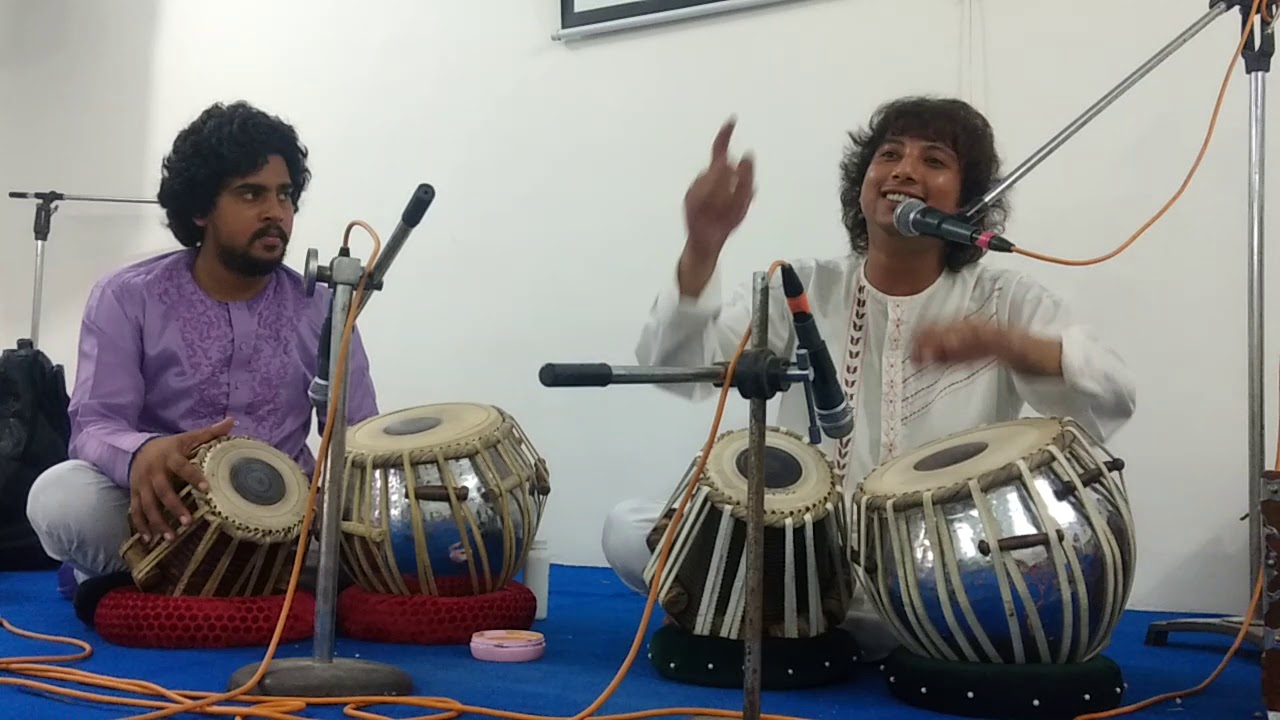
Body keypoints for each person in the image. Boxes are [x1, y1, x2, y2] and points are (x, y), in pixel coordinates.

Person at [601, 96, 1136, 659]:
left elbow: (1112, 391)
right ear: (863, 185)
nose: (904, 170)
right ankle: (817, 617)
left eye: (934, 161)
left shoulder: (1000, 299)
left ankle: (796, 624)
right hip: (805, 560)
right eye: (889, 155)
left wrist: (1005, 343)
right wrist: (703, 245)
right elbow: (679, 366)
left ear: (968, 201)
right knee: (628, 529)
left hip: (941, 569)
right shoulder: (802, 288)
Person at [25, 101, 379, 601]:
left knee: (377, 527)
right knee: (59, 496)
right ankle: (226, 580)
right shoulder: (129, 297)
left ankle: (157, 583)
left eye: (284, 195)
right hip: (169, 509)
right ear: (200, 209)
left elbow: (359, 441)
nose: (275, 212)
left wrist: (334, 505)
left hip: (284, 519)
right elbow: (94, 425)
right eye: (250, 194)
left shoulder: (323, 309)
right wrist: (144, 452)